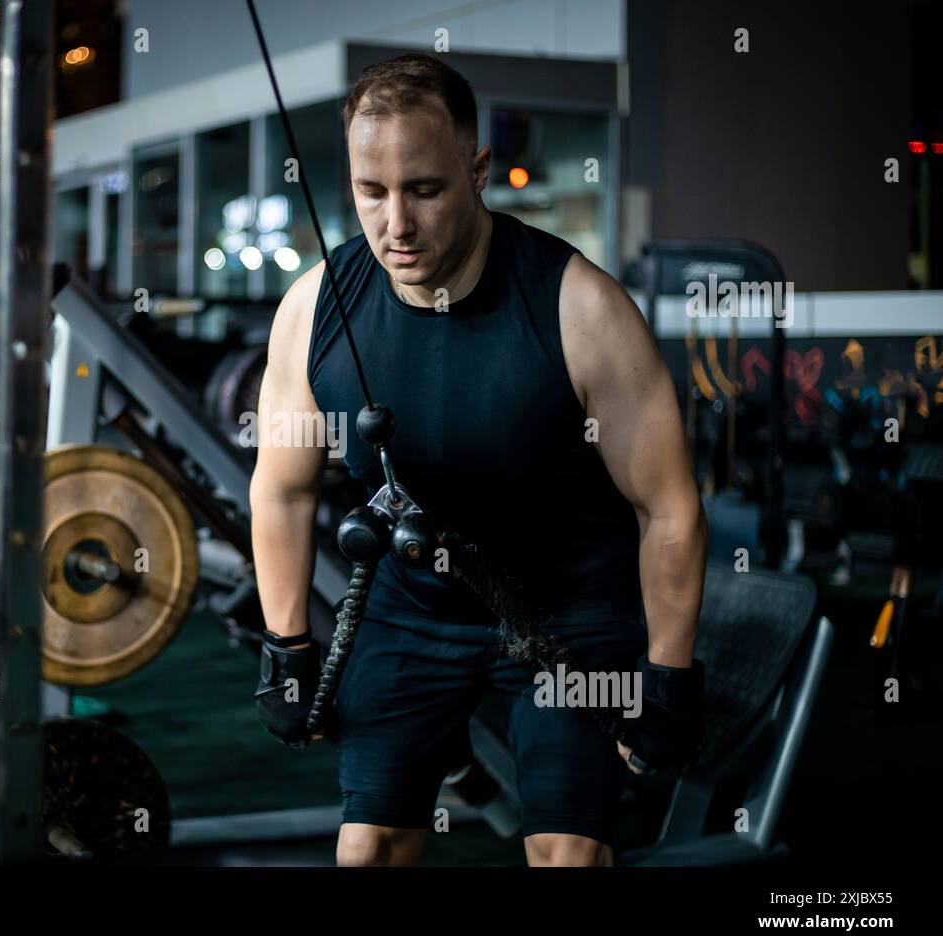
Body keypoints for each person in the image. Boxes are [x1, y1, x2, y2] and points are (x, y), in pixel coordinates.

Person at [249, 53, 707, 867]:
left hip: (568, 614)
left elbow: (666, 505)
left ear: (478, 167)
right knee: (367, 850)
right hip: (411, 611)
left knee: (567, 855)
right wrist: (285, 648)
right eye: (371, 192)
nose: (396, 224)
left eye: (424, 189)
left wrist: (668, 675)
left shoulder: (579, 307)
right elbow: (281, 492)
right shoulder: (312, 309)